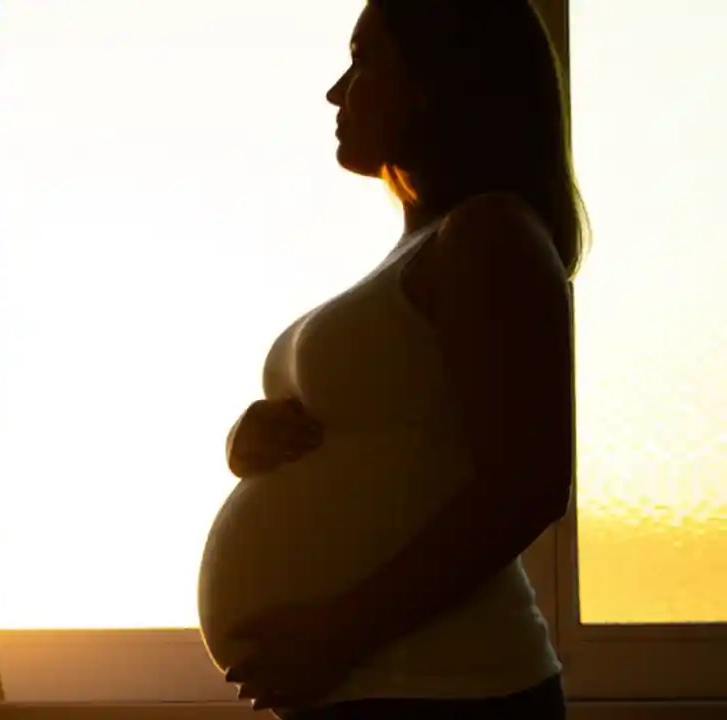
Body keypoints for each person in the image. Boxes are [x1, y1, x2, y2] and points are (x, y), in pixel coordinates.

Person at [196, 1, 586, 717]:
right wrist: (247, 442)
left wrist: (336, 637)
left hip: (453, 688)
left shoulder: (491, 234)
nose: (336, 92)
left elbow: (526, 485)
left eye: (363, 59)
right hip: (389, 690)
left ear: (434, 81)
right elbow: (393, 443)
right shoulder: (425, 246)